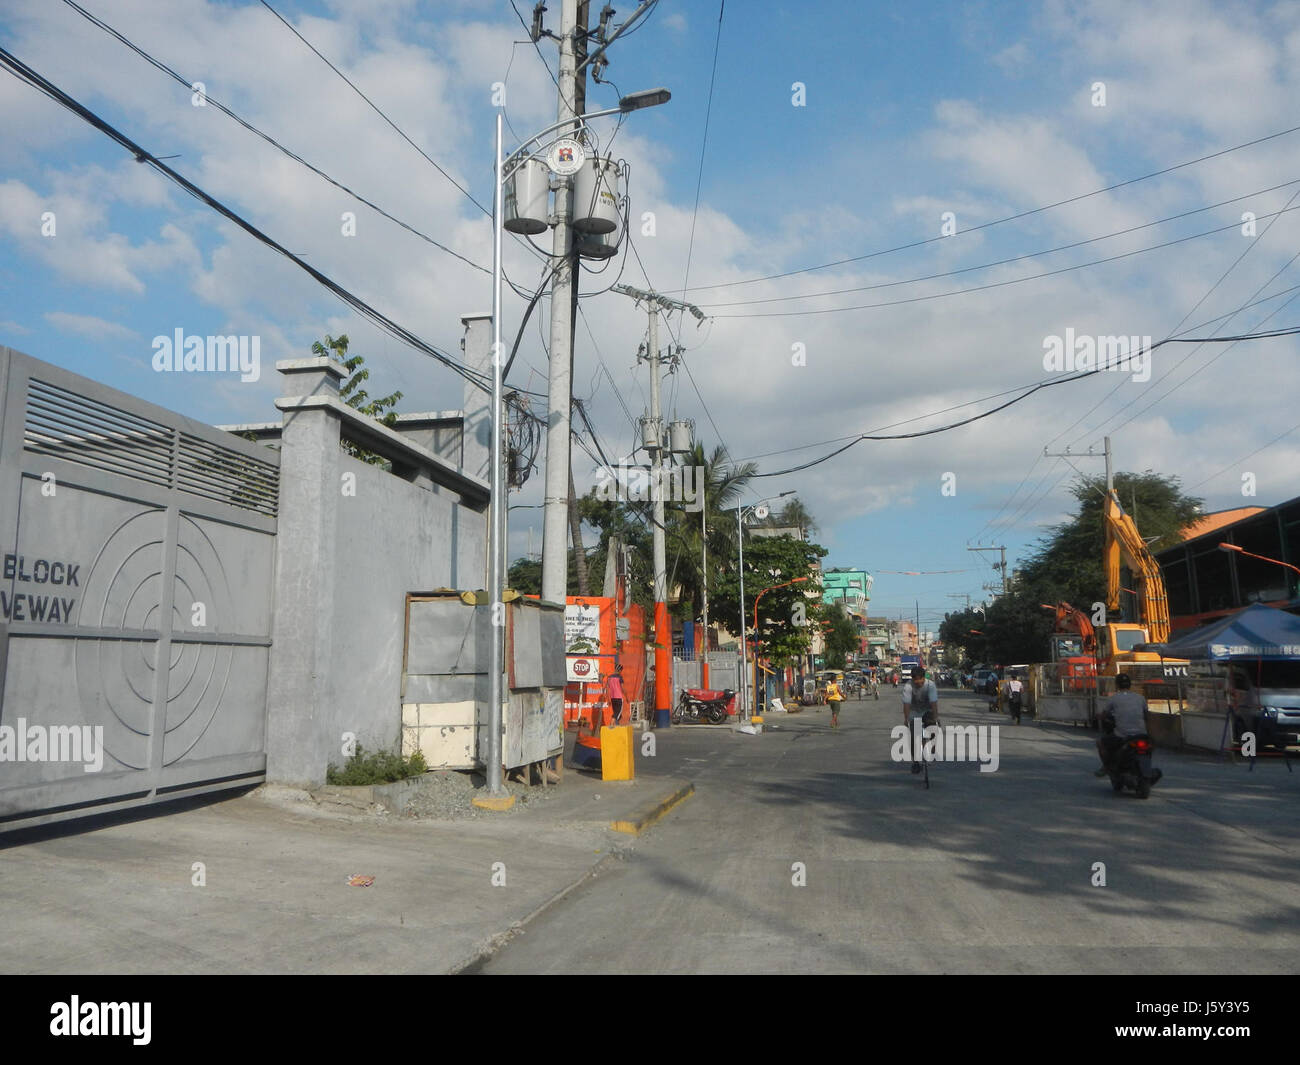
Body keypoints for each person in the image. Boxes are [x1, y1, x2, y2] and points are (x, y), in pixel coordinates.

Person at [1095, 673, 1147, 776]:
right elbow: (1146, 715)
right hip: (1142, 734)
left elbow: (1104, 715)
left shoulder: (1113, 699)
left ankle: (1106, 767)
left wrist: (1099, 716)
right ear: (1130, 685)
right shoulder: (1141, 698)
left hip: (1123, 735)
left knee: (1100, 743)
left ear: (1117, 685)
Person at [902, 666, 940, 774]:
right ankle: (916, 762)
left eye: (920, 679)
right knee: (913, 736)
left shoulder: (930, 685)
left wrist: (935, 717)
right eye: (916, 680)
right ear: (912, 679)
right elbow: (906, 704)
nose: (918, 682)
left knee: (934, 728)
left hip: (927, 710)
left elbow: (933, 703)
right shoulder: (908, 687)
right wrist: (906, 719)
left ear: (924, 678)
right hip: (914, 711)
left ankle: (932, 750)